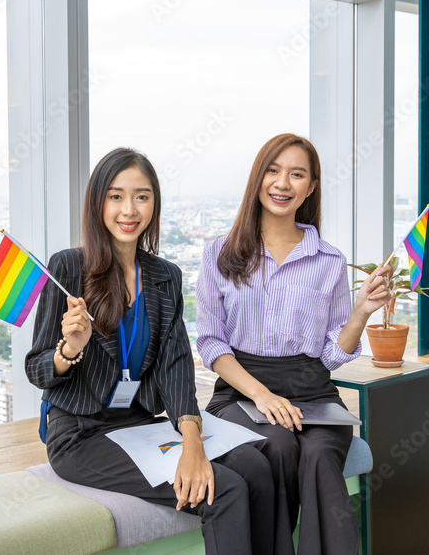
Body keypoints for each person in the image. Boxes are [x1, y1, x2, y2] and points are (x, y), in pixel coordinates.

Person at [26, 148, 275, 554]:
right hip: (81, 433)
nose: (129, 209)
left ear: (154, 203)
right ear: (97, 203)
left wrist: (192, 442)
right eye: (116, 196)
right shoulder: (69, 268)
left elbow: (176, 367)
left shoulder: (163, 275)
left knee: (257, 467)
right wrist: (68, 350)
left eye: (142, 196)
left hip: (141, 423)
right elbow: (37, 369)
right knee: (224, 489)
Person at [196, 134, 393, 554]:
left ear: (311, 187)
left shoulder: (330, 261)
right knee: (279, 445)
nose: (282, 183)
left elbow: (330, 355)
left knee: (321, 454)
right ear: (258, 178)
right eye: (273, 170)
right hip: (242, 388)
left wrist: (360, 312)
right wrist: (262, 395)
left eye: (296, 174)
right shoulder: (220, 254)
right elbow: (211, 343)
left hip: (312, 388)